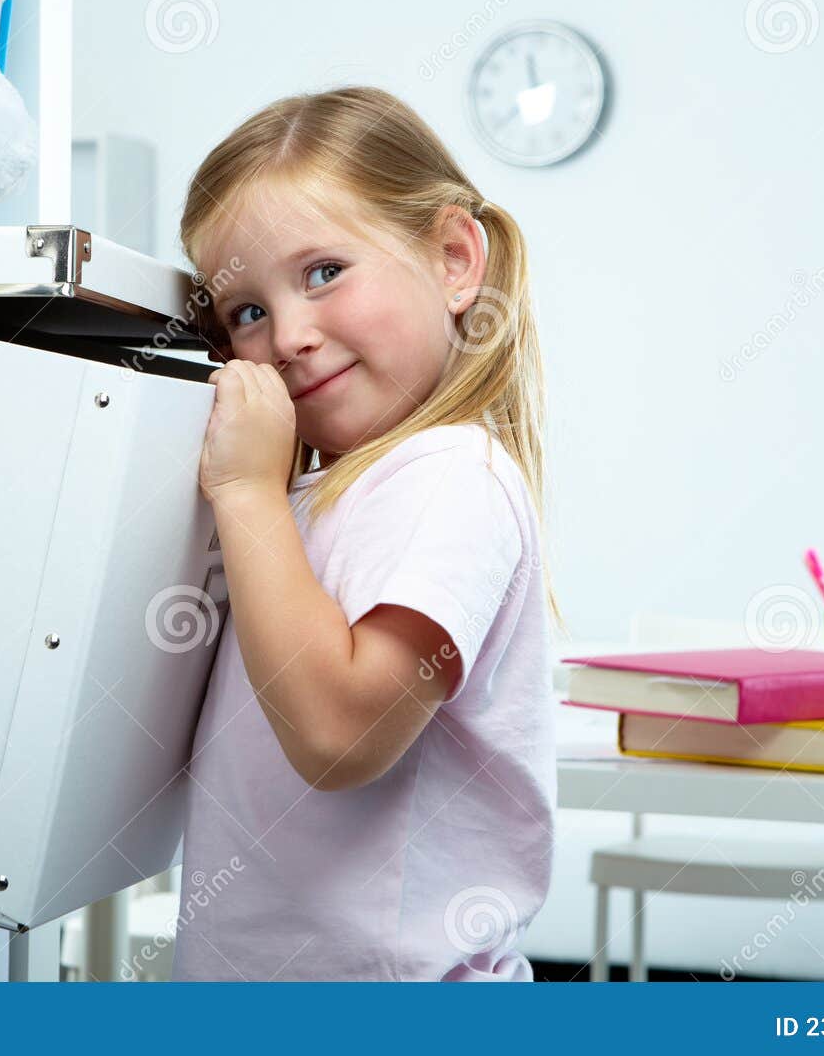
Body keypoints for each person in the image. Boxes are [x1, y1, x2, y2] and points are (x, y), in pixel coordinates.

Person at [171, 85, 559, 981]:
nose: (291, 336)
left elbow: (339, 735)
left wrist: (243, 488)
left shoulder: (452, 476)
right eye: (247, 313)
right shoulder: (311, 494)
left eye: (323, 272)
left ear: (456, 258)